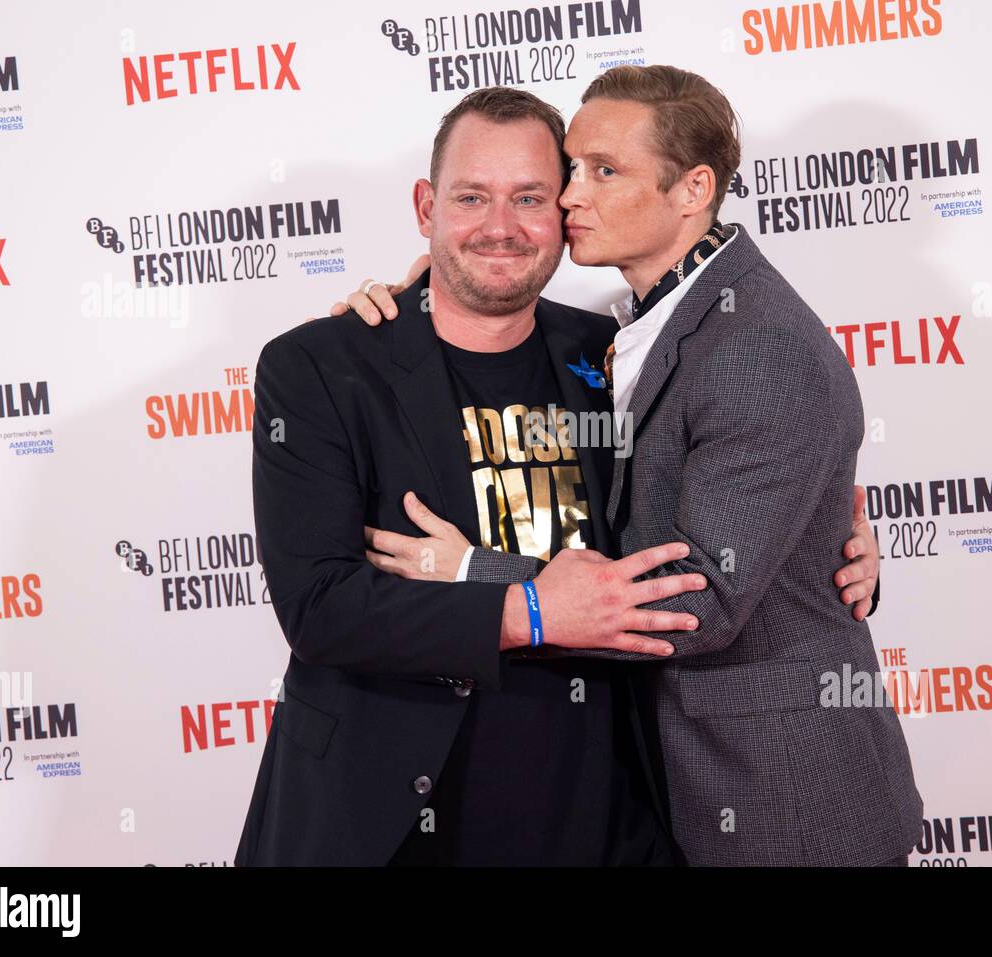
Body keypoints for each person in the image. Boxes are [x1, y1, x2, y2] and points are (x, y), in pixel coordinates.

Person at [328, 67, 920, 866]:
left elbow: (698, 600)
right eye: (571, 168)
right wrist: (417, 304)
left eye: (604, 171)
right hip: (667, 792)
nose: (570, 195)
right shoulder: (640, 326)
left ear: (693, 189)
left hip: (784, 809)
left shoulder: (757, 345)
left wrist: (473, 573)